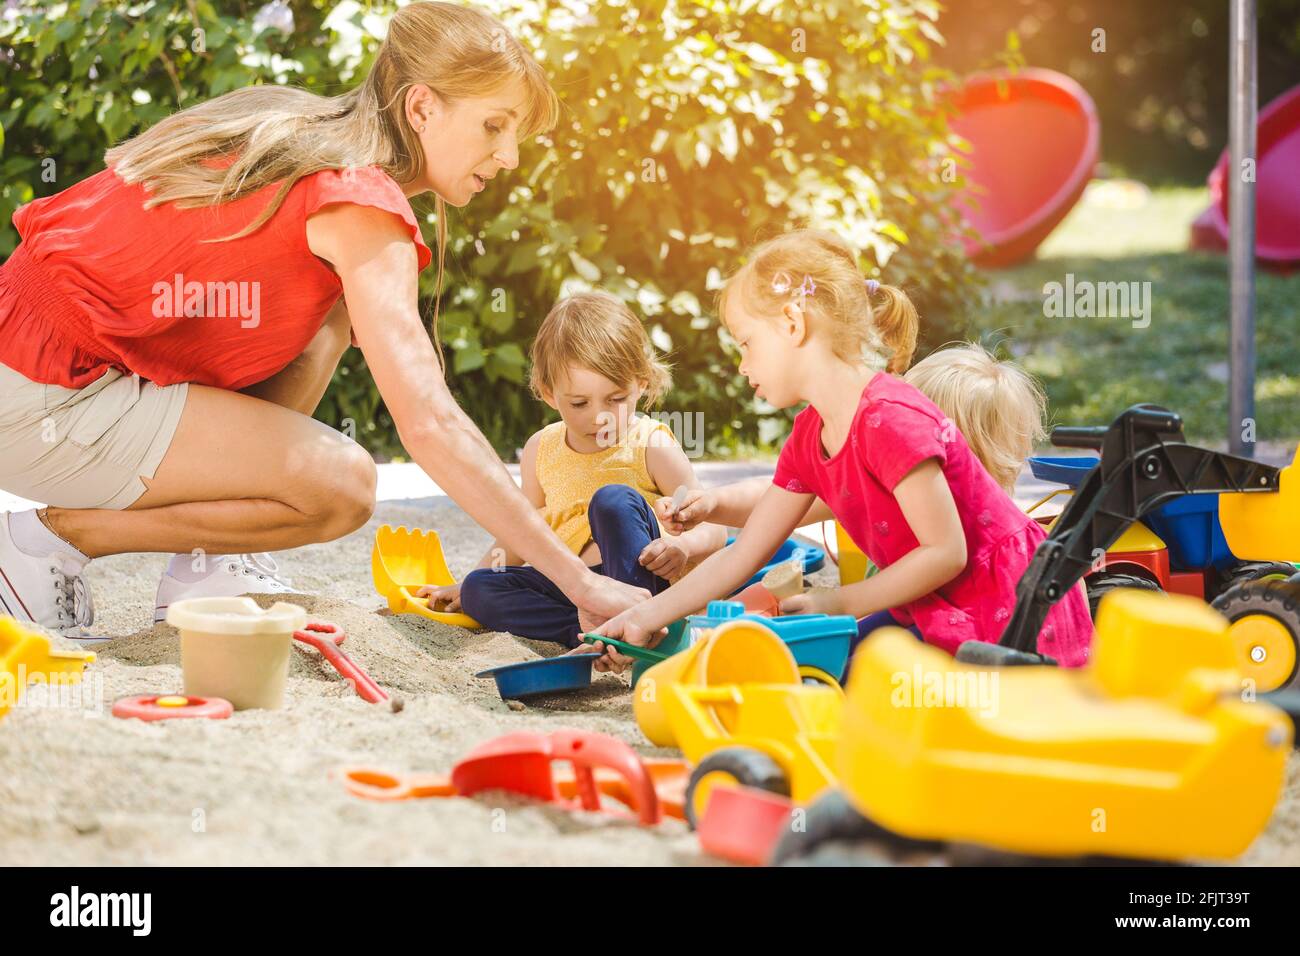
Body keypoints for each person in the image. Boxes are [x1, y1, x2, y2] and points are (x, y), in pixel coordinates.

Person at [0, 2, 646, 641]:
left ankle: (205, 569)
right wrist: (580, 583)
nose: (508, 156)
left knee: (329, 316)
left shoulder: (306, 135)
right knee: (340, 487)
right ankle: (50, 538)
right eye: (494, 126)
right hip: (43, 399)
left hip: (39, 372)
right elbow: (428, 421)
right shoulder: (358, 200)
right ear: (422, 108)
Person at [590, 228, 1094, 669]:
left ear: (792, 323)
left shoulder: (890, 417)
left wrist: (841, 600)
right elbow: (744, 552)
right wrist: (644, 615)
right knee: (834, 672)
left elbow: (946, 552)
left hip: (1010, 610)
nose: (742, 366)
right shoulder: (812, 433)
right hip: (931, 607)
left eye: (745, 343)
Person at [417, 291, 725, 647]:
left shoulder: (651, 445)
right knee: (480, 590)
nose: (600, 416)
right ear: (549, 394)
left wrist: (684, 547)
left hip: (642, 585)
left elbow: (714, 527)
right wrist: (468, 581)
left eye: (616, 398)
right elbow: (519, 530)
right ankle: (588, 634)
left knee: (612, 501)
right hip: (576, 588)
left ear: (641, 383)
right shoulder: (540, 449)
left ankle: (637, 624)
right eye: (579, 403)